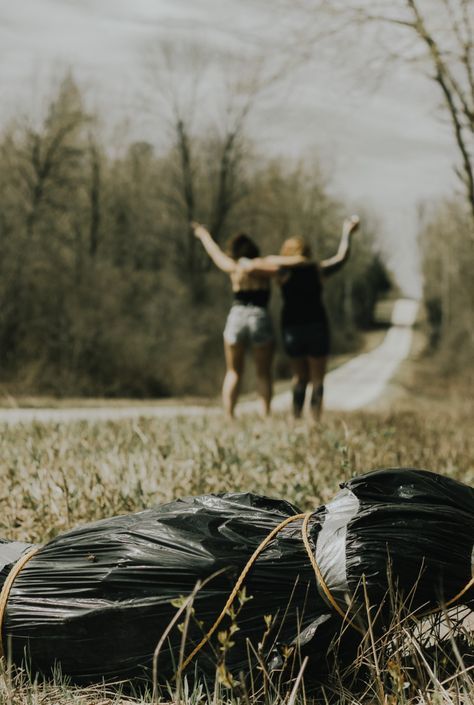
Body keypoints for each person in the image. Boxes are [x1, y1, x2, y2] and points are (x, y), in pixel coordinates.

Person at [192, 222, 306, 418]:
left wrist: (203, 235)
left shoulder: (234, 267)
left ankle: (229, 415)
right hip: (259, 316)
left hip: (236, 316)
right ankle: (265, 413)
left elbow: (215, 253)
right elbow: (292, 266)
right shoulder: (264, 267)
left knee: (233, 371)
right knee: (263, 372)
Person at [279, 215, 360, 420]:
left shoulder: (281, 273)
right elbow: (342, 257)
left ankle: (296, 418)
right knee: (317, 379)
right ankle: (315, 420)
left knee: (299, 377)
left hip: (291, 328)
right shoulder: (317, 269)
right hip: (317, 326)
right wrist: (346, 233)